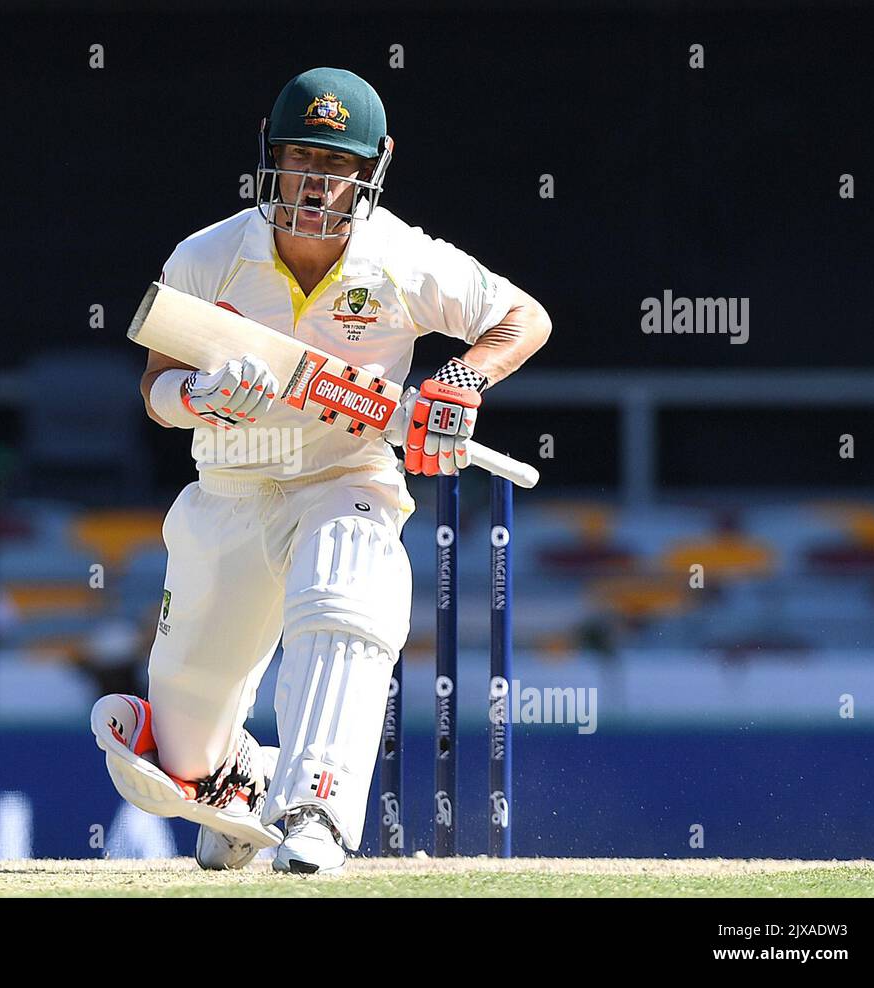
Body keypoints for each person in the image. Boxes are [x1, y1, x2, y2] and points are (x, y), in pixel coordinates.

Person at [91, 67, 551, 874]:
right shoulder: (209, 255)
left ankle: (317, 809)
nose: (317, 180)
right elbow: (154, 389)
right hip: (227, 489)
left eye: (338, 164)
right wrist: (197, 395)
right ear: (270, 156)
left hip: (347, 478)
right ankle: (237, 780)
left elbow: (524, 316)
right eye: (303, 157)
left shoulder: (401, 258)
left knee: (344, 595)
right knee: (180, 756)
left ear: (373, 166)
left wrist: (464, 380)